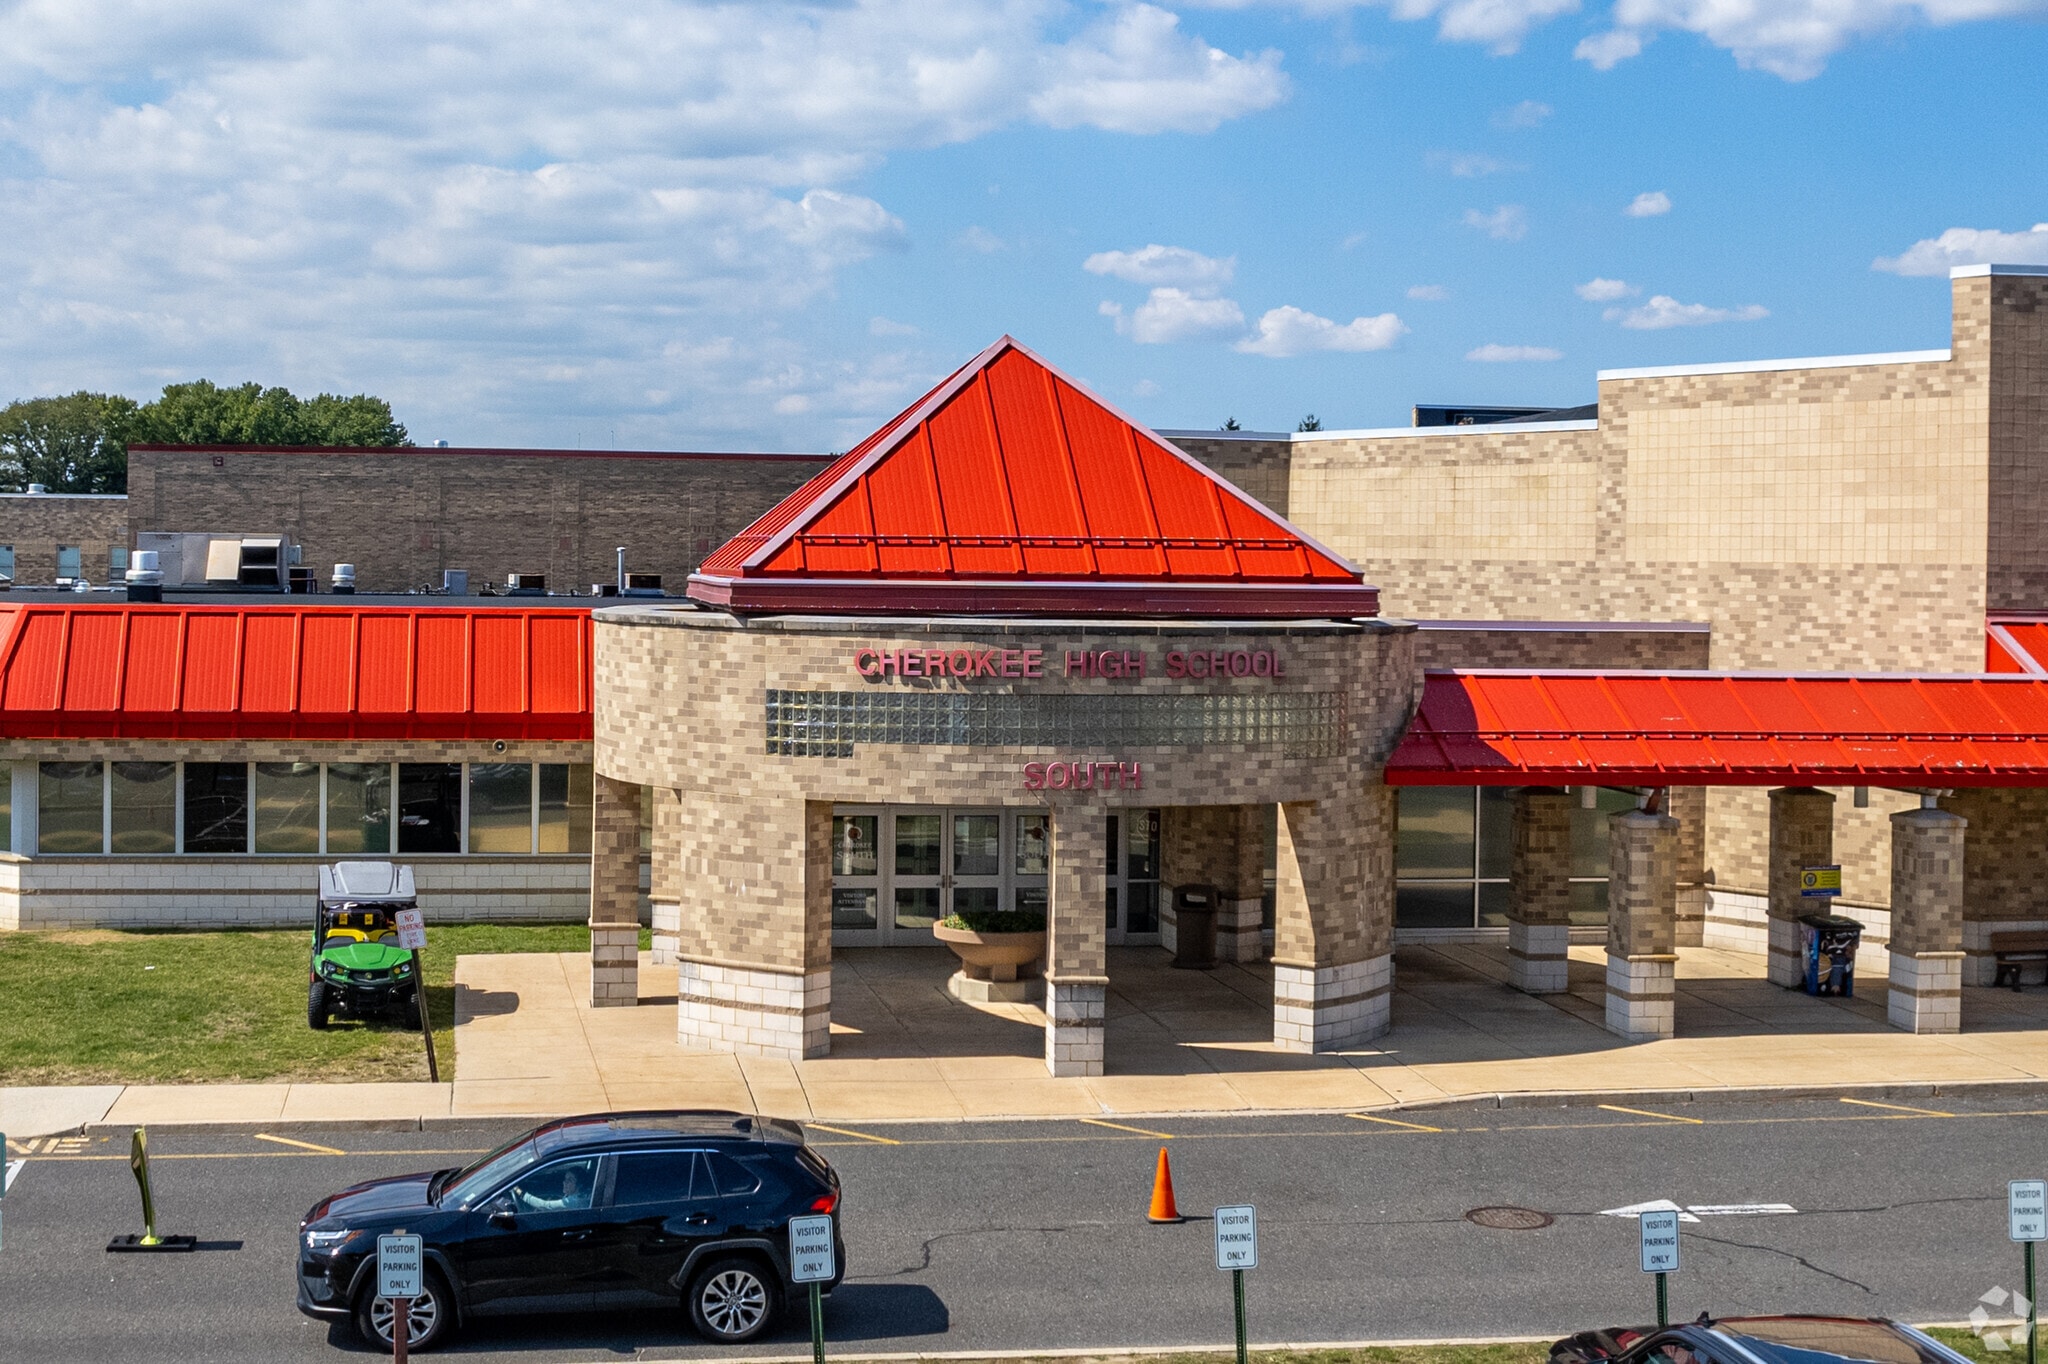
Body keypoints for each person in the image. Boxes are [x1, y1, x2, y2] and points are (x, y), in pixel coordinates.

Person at [513, 1162, 592, 1213]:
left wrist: (519, 1191)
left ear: (580, 1184)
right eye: (565, 1179)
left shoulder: (574, 1201)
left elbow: (544, 1205)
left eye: (570, 1180)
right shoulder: (582, 1195)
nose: (564, 1182)